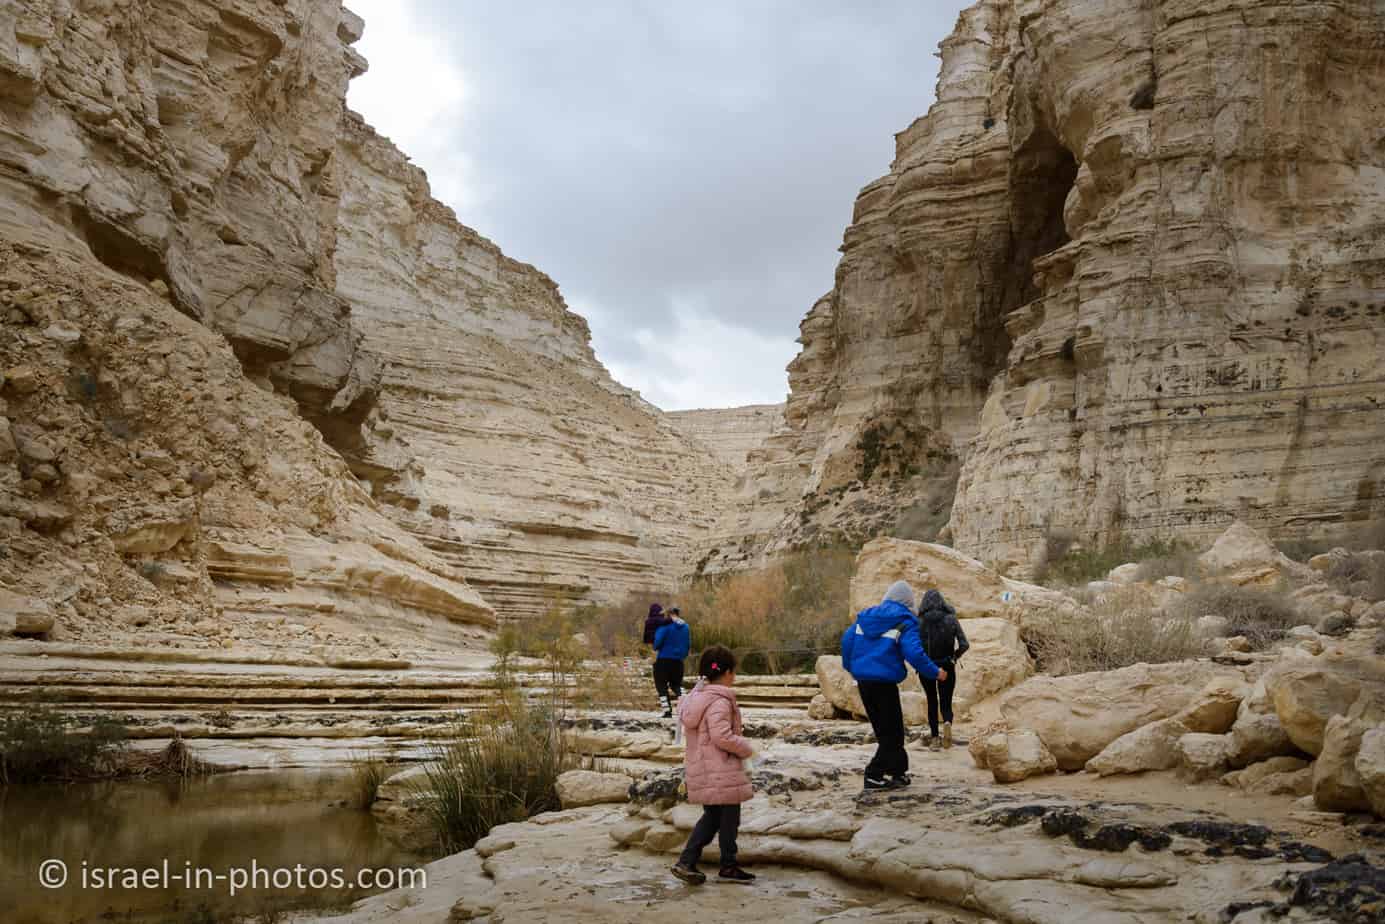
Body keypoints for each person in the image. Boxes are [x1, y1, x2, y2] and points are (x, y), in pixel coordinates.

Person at [841, 580, 947, 791]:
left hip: (864, 682)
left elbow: (846, 642)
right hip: (884, 684)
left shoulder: (865, 618)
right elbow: (914, 653)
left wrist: (852, 667)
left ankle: (898, 773)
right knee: (894, 734)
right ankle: (873, 775)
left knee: (886, 732)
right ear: (908, 602)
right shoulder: (905, 620)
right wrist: (936, 672)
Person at [670, 645, 756, 885]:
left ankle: (690, 861)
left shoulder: (695, 698)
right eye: (734, 672)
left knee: (713, 817)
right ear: (727, 672)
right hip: (722, 770)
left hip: (703, 769)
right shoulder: (719, 700)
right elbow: (722, 736)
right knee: (727, 819)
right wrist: (747, 749)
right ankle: (724, 865)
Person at [918, 588, 969, 750]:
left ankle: (934, 738)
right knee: (946, 701)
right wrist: (953, 658)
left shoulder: (919, 621)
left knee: (932, 700)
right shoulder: (951, 619)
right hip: (947, 665)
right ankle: (947, 722)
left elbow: (914, 646)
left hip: (926, 666)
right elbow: (964, 644)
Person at [652, 608, 691, 717]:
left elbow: (657, 643)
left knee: (661, 685)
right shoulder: (686, 627)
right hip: (678, 661)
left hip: (664, 659)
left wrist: (655, 646)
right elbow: (688, 644)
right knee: (677, 685)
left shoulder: (665, 626)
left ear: (669, 615)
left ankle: (667, 711)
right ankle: (687, 705)